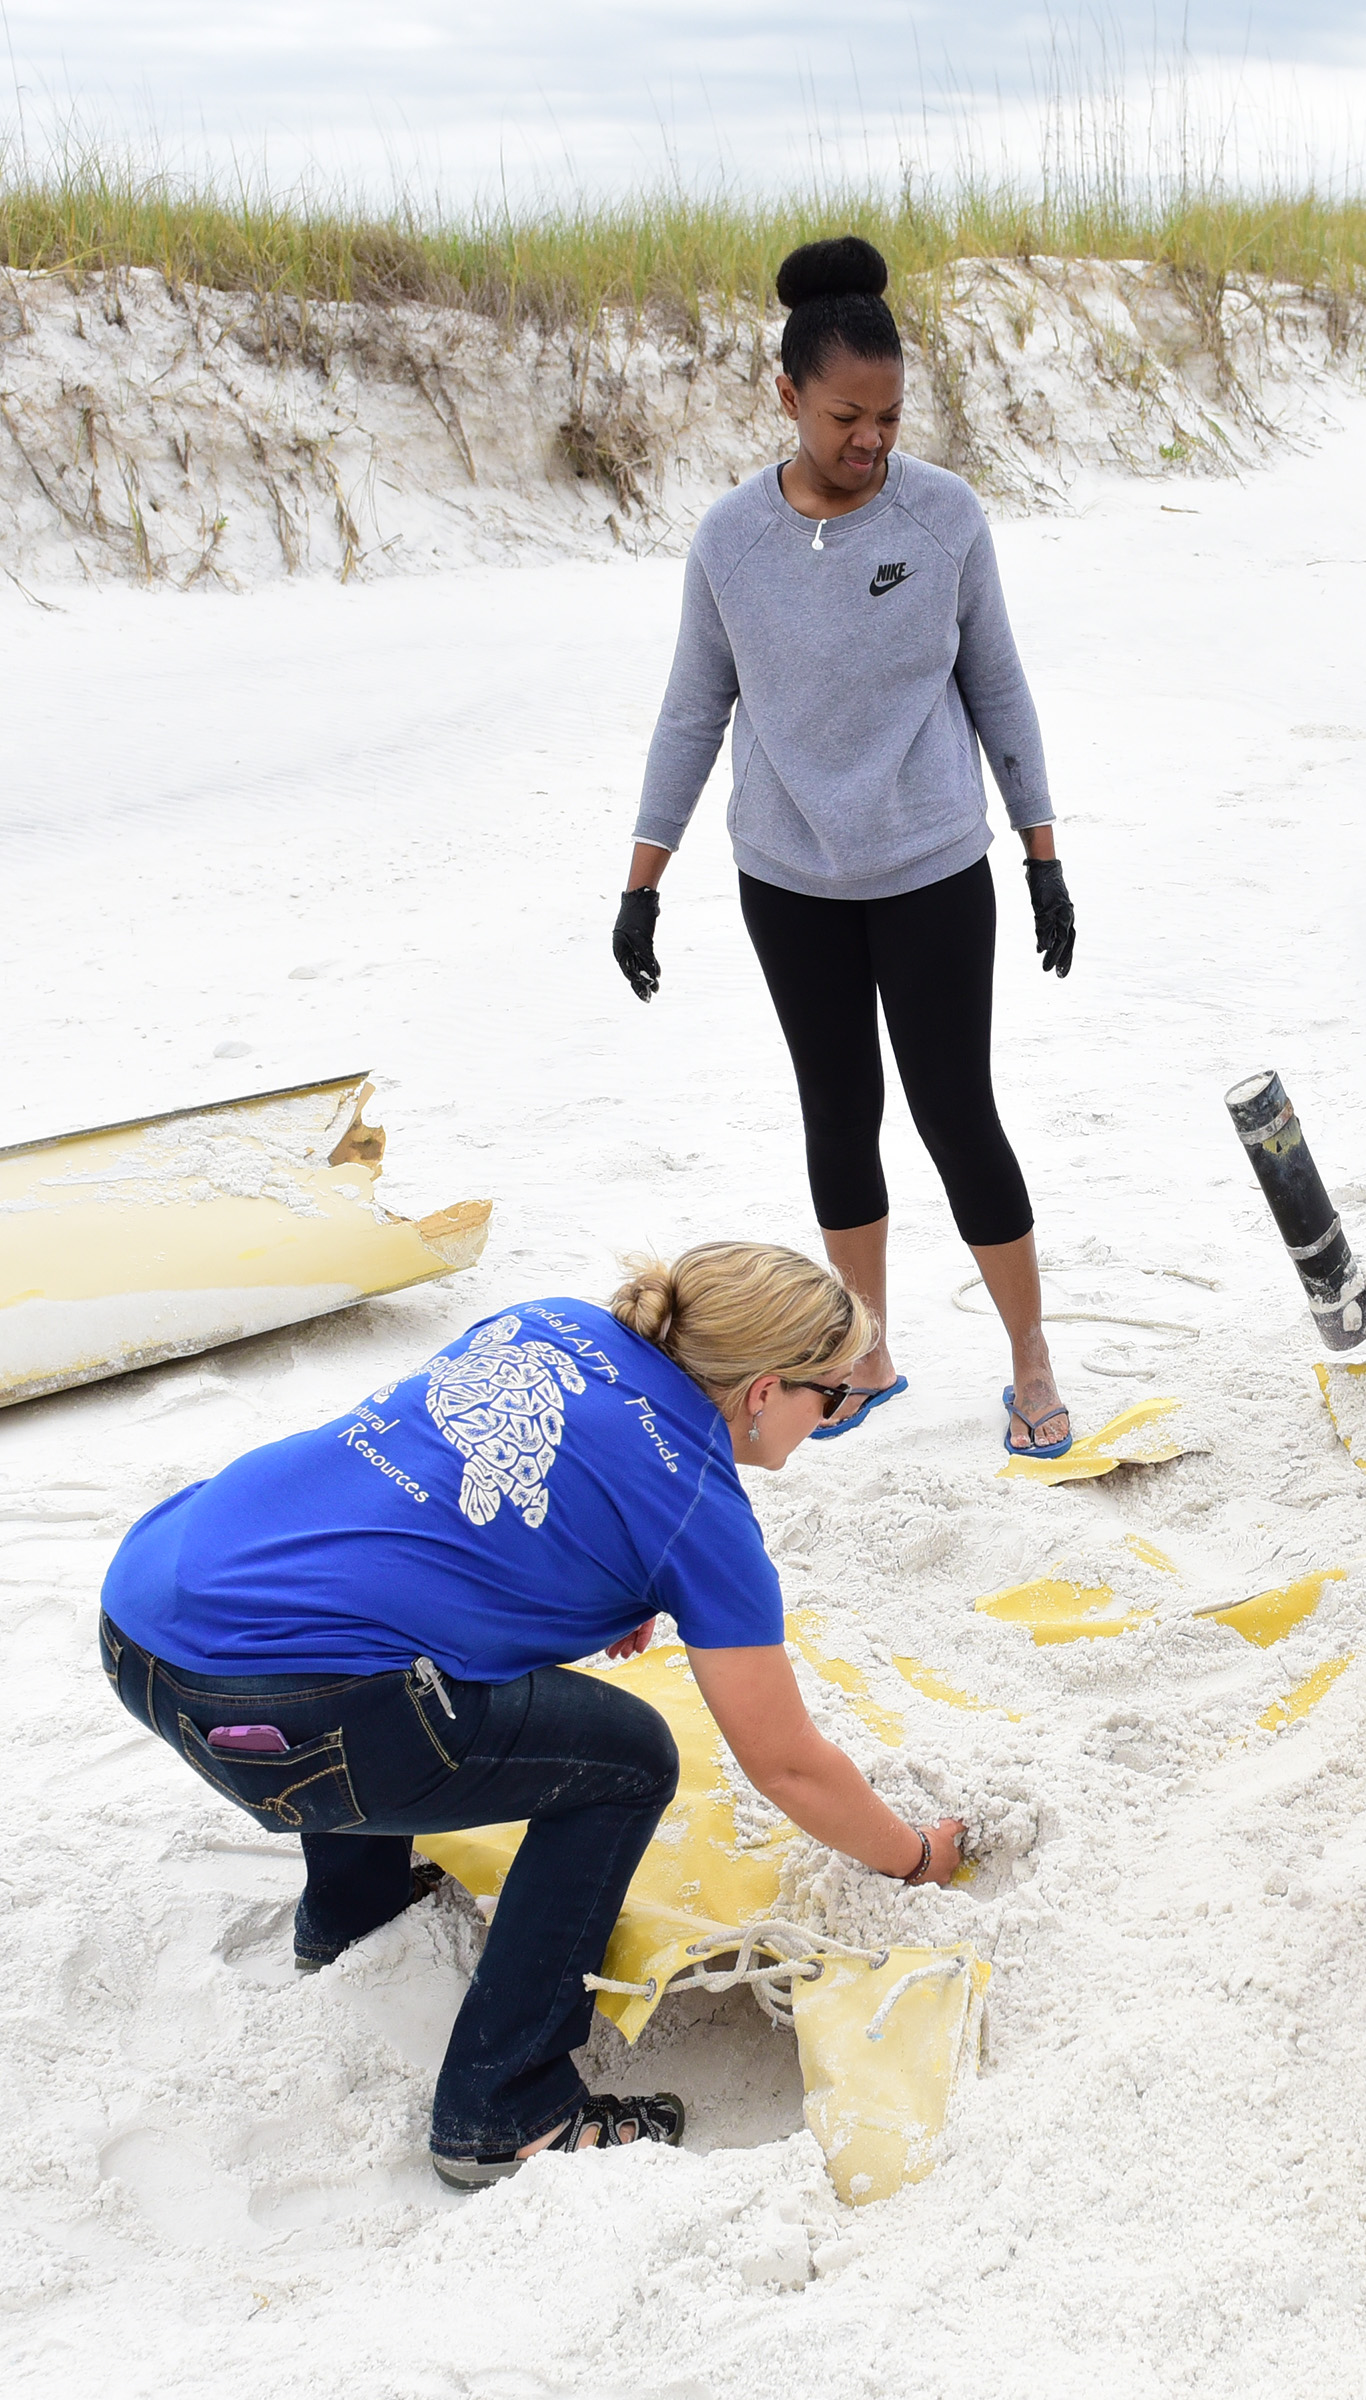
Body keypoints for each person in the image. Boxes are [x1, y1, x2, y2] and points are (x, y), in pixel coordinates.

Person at [95, 1243, 968, 2190]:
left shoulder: (552, 1320)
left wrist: (604, 1580)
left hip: (143, 1614)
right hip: (282, 1720)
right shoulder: (700, 1514)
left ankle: (353, 1914)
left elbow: (453, 1493)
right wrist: (916, 1855)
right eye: (831, 1397)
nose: (834, 1415)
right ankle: (508, 2107)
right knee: (629, 1757)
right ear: (764, 1392)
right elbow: (784, 1762)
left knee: (365, 1625)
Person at [615, 233, 1081, 1460]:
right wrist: (641, 883)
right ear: (786, 398)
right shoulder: (730, 540)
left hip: (931, 867)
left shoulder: (944, 518)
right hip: (788, 877)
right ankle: (864, 1349)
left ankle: (1030, 1359)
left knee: (956, 1112)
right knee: (839, 1110)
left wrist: (1041, 855)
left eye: (888, 416)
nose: (871, 440)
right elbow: (689, 710)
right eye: (844, 418)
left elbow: (1000, 689)